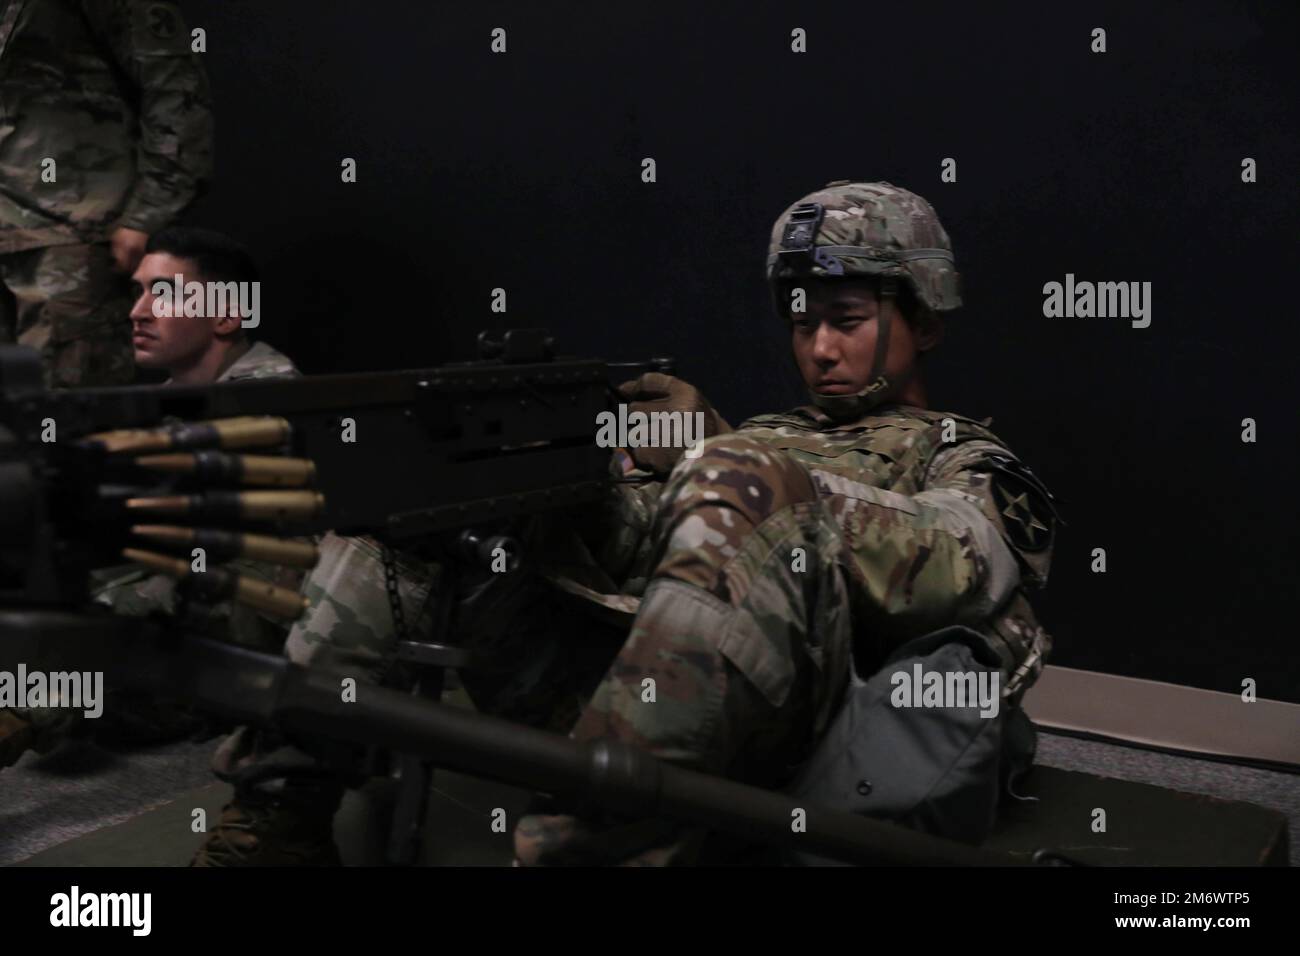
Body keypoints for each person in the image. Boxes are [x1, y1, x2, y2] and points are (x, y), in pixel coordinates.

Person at [193, 181, 1058, 866]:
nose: (818, 349)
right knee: (419, 511)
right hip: (634, 688)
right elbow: (633, 545)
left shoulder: (964, 456)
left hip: (798, 727)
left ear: (927, 319)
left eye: (846, 321)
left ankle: (592, 854)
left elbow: (957, 571)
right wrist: (564, 472)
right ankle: (278, 817)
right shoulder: (760, 433)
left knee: (741, 477)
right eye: (801, 323)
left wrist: (715, 460)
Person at [0, 228, 301, 765]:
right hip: (186, 607)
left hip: (242, 626)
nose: (137, 311)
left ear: (227, 315)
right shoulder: (166, 395)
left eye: (161, 292)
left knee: (91, 623)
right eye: (137, 291)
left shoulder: (265, 391)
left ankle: (19, 712)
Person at [0, 0, 213, 387]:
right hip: (17, 230)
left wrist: (148, 214)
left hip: (70, 238)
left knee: (71, 421)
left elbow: (174, 89)